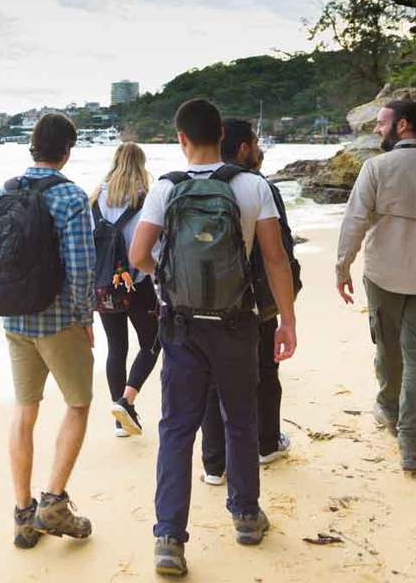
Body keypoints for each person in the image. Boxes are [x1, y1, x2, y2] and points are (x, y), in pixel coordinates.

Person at [128, 99, 298, 578]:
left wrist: (167, 279)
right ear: (221, 135)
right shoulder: (252, 186)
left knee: (177, 429)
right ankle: (245, 516)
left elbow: (139, 254)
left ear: (181, 138)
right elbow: (275, 259)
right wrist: (286, 319)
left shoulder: (165, 189)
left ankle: (168, 539)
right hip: (237, 323)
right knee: (240, 419)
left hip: (181, 325)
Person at [336, 98, 416, 477]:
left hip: (383, 276)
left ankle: (389, 409)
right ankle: (411, 444)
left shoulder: (376, 168)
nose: (376, 129)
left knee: (389, 350)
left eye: (381, 123)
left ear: (402, 125)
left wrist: (342, 265)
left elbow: (355, 220)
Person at [1, 113, 96, 549]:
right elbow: (80, 268)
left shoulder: (8, 189)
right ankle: (53, 503)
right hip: (58, 321)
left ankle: (23, 515)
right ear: (67, 150)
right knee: (77, 404)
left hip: (15, 318)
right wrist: (85, 318)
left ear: (32, 147)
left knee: (25, 411)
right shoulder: (71, 197)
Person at [200, 119, 298, 485]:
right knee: (265, 373)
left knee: (211, 381)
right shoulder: (259, 187)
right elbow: (279, 254)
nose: (259, 148)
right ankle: (266, 445)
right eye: (256, 142)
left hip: (205, 300)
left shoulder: (195, 185)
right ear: (243, 148)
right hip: (253, 300)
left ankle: (214, 464)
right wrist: (287, 310)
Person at [88, 142, 160, 438]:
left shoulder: (95, 199)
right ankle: (125, 401)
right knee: (154, 342)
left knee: (116, 347)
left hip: (104, 286)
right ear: (141, 165)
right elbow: (153, 246)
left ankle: (120, 422)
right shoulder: (147, 198)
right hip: (137, 284)